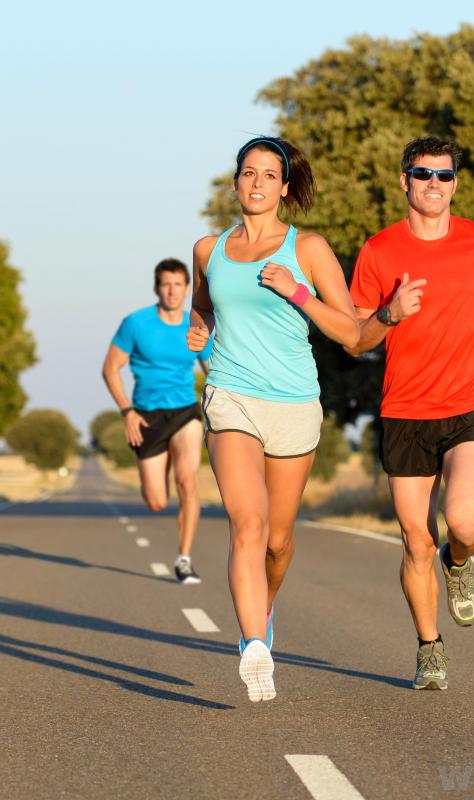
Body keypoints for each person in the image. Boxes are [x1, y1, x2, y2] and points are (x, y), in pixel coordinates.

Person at [347, 136, 474, 690]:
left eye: (444, 176)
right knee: (414, 540)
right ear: (404, 180)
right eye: (423, 174)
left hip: (470, 401)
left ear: (455, 183)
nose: (434, 184)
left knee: (465, 522)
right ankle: (429, 646)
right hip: (405, 410)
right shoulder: (378, 251)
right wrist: (390, 312)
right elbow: (355, 337)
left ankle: (459, 561)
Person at [187, 135, 359, 702]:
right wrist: (202, 334)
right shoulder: (208, 250)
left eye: (268, 175)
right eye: (248, 173)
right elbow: (204, 307)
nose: (257, 183)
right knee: (248, 525)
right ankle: (254, 641)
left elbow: (353, 331)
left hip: (293, 402)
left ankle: (266, 609)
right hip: (231, 395)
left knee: (278, 543)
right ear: (235, 182)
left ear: (284, 187)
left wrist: (299, 292)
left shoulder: (307, 248)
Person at [102, 258, 212, 584]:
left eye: (179, 284)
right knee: (156, 501)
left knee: (188, 482)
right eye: (166, 284)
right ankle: (154, 470)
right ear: (156, 288)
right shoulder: (136, 324)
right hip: (145, 415)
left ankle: (184, 559)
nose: (172, 291)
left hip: (184, 411)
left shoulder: (195, 326)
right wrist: (126, 412)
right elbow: (110, 368)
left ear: (187, 288)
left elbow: (211, 371)